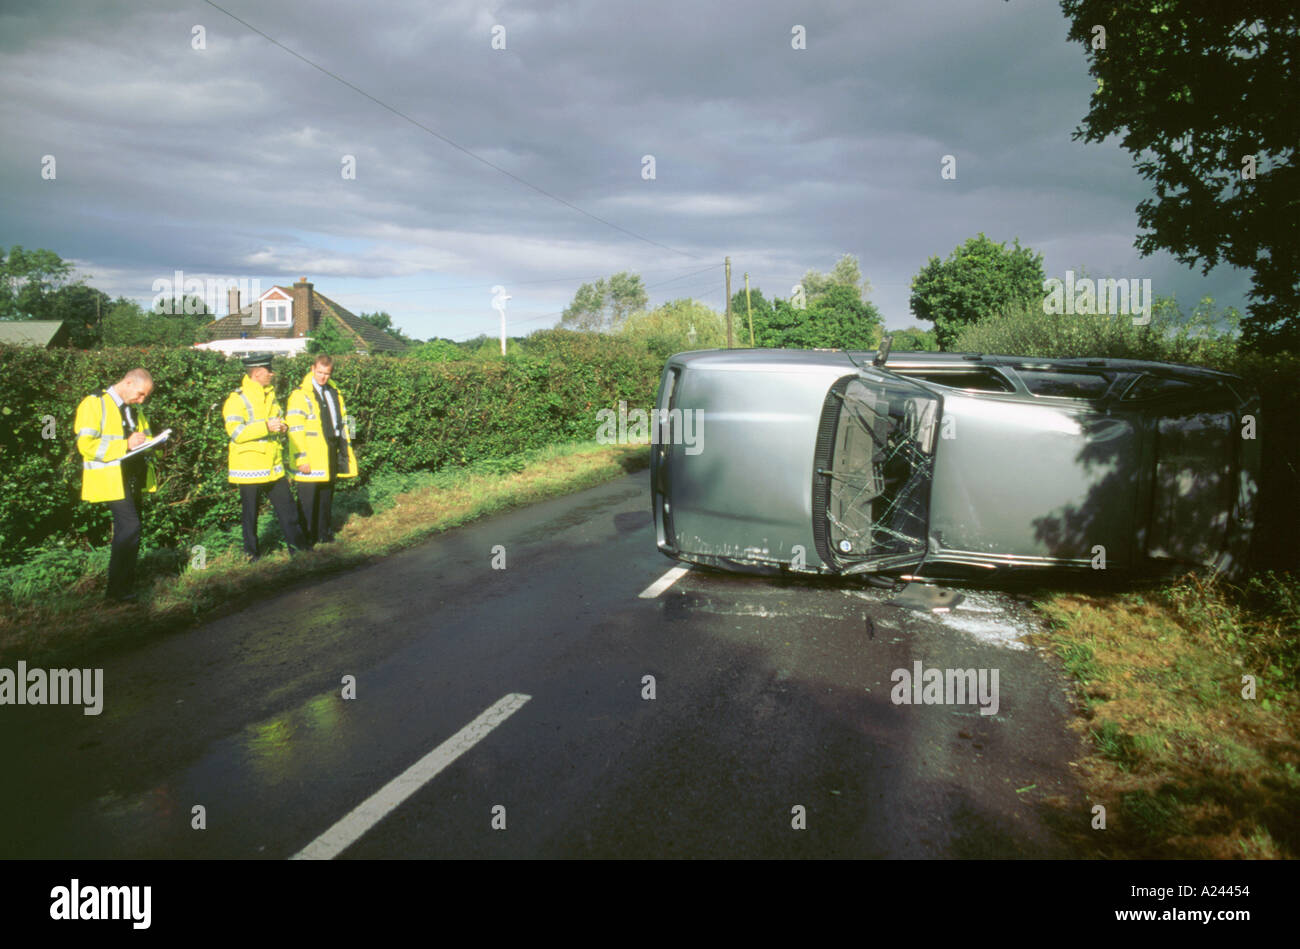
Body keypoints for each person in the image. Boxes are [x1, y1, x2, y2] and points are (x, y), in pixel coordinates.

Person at [75, 367, 157, 602]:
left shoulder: (133, 408)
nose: (142, 400)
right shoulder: (94, 404)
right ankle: (117, 591)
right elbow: (87, 446)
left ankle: (122, 589)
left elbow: (143, 438)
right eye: (140, 394)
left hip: (132, 476)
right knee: (130, 527)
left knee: (130, 529)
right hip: (111, 477)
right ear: (128, 382)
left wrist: (155, 443)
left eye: (145, 397)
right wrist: (125, 445)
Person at [223, 353, 304, 560]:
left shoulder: (270, 394)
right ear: (258, 373)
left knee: (288, 508)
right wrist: (266, 427)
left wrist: (282, 425)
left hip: (273, 465)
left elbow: (277, 417)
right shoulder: (236, 399)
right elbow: (236, 433)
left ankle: (300, 551)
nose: (272, 373)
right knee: (250, 515)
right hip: (248, 467)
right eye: (269, 370)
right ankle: (251, 556)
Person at [287, 354, 358, 545]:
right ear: (312, 369)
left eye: (327, 373)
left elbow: (345, 419)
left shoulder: (335, 392)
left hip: (330, 451)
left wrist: (349, 443)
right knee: (307, 501)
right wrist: (301, 458)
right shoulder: (299, 395)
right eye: (319, 372)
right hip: (310, 455)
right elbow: (294, 429)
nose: (322, 377)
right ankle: (305, 542)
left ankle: (324, 535)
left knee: (326, 497)